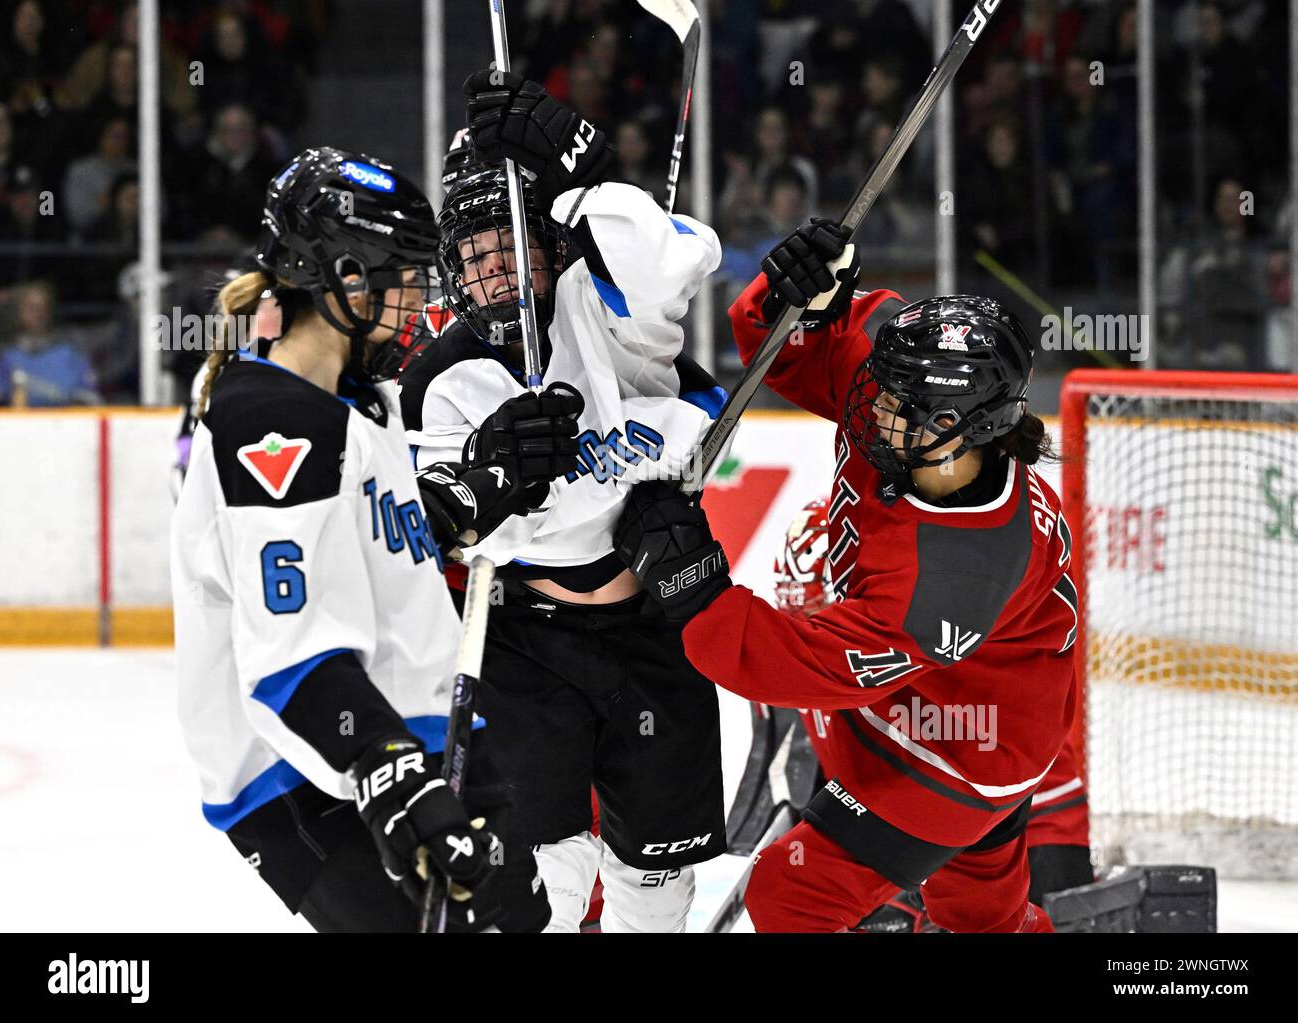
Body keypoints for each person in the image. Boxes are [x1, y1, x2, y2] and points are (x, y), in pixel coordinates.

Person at [615, 219, 1079, 932]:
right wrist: (805, 294)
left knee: (791, 892)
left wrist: (693, 582)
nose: (872, 404)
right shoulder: (909, 395)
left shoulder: (954, 575)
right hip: (976, 699)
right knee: (980, 914)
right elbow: (792, 347)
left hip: (955, 750)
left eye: (899, 408)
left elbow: (797, 663)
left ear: (965, 430)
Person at [170, 145, 579, 932]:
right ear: (348, 282)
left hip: (416, 732)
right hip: (309, 777)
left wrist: (478, 484)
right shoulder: (271, 425)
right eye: (407, 282)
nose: (421, 305)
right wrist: (389, 771)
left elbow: (372, 545)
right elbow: (293, 653)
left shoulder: (360, 402)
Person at [399, 70, 727, 932]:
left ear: (556, 242)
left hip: (653, 625)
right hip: (526, 645)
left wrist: (582, 165)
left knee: (654, 890)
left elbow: (674, 260)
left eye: (515, 245)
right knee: (547, 867)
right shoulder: (441, 377)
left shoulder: (610, 309)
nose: (497, 270)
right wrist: (490, 482)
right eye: (476, 253)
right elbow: (432, 527)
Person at [768, 496, 1093, 927]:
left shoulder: (924, 648)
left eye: (821, 618)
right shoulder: (832, 662)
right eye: (800, 619)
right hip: (941, 833)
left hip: (1030, 831)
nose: (811, 635)